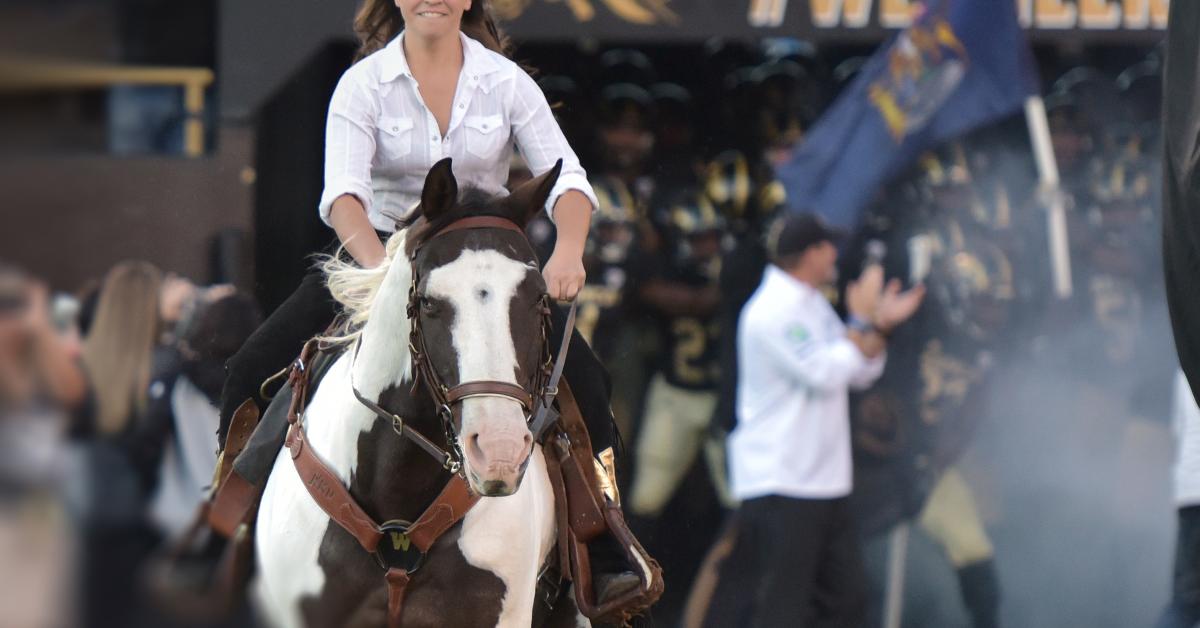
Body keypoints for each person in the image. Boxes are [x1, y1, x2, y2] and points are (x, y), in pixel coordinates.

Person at [215, 0, 644, 602]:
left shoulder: (506, 80)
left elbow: (567, 177)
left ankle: (604, 546)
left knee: (590, 387)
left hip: (483, 267)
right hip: (379, 257)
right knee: (249, 370)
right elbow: (343, 196)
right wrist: (384, 271)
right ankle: (224, 535)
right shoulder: (362, 83)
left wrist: (569, 249)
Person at [702, 212, 925, 628]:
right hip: (783, 481)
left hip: (824, 481)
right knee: (783, 606)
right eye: (828, 246)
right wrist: (861, 322)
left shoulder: (813, 304)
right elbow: (827, 372)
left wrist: (881, 325)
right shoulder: (771, 310)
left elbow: (859, 369)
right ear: (811, 253)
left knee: (847, 600)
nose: (835, 255)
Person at [1157, 369, 1200, 628]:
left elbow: (1177, 433)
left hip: (1188, 494)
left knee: (1186, 600)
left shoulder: (1185, 367)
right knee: (1187, 601)